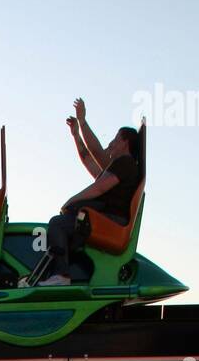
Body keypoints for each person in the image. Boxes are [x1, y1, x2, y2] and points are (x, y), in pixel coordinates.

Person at [38, 99, 141, 287]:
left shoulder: (125, 163)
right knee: (67, 220)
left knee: (58, 224)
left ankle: (61, 274)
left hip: (110, 221)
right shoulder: (121, 168)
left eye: (115, 140)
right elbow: (89, 159)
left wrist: (71, 201)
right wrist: (76, 134)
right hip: (106, 218)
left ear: (125, 142)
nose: (111, 144)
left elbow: (98, 187)